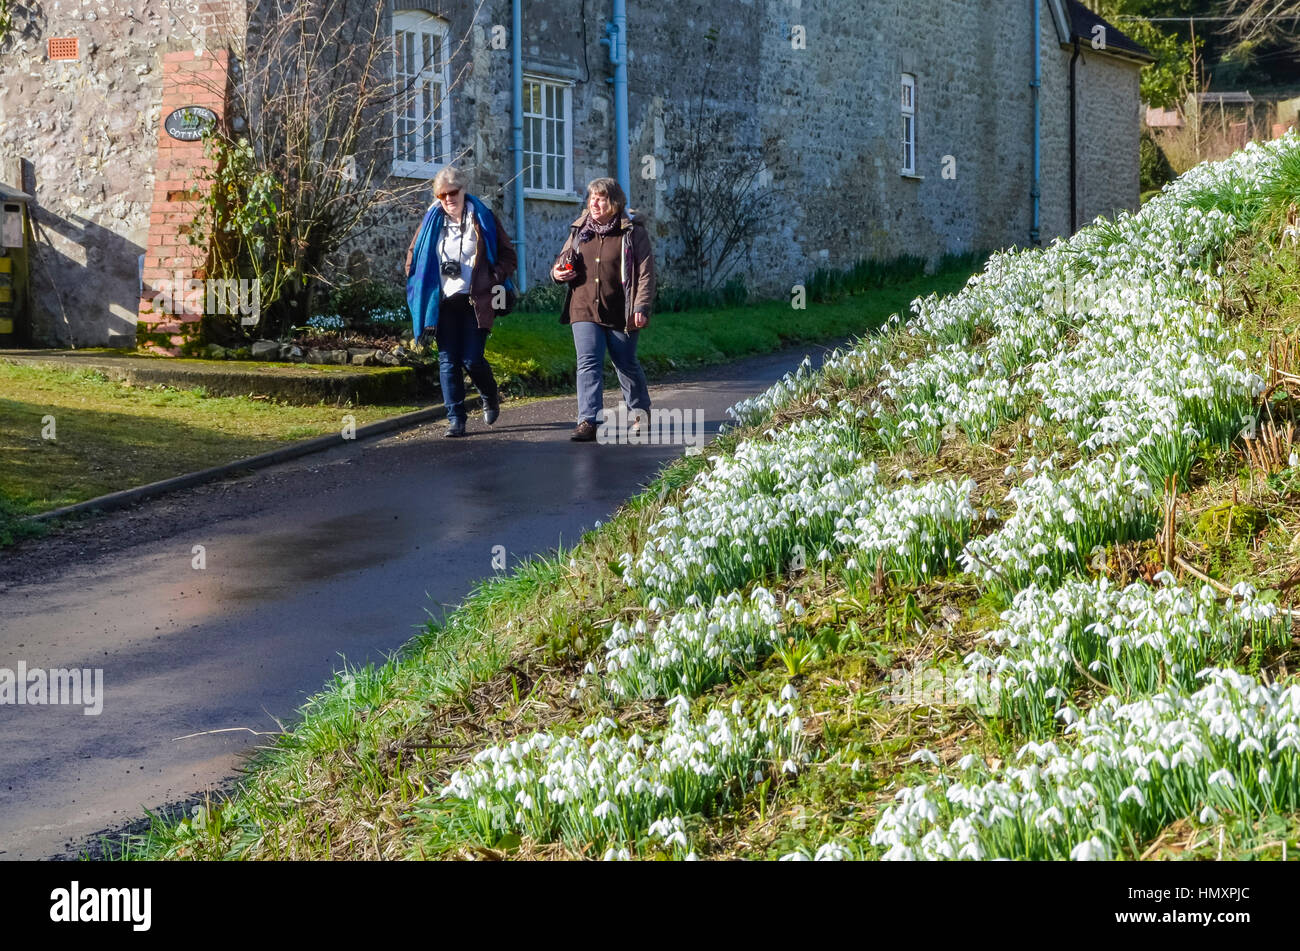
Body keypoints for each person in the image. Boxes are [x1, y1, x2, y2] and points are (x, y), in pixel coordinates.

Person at [407, 166, 517, 437]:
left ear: (463, 190)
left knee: (472, 359)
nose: (447, 199)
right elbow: (415, 251)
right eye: (442, 195)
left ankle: (489, 395)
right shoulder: (432, 220)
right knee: (447, 360)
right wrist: (415, 273)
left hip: (475, 300)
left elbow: (508, 255)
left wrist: (494, 276)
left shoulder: (483, 217)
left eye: (452, 193)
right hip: (442, 302)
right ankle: (456, 418)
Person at [551, 177, 654, 442]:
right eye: (592, 198)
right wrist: (558, 272)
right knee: (588, 363)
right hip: (583, 306)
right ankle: (588, 420)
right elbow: (562, 260)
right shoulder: (579, 230)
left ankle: (639, 412)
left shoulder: (632, 233)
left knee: (625, 363)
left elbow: (645, 273)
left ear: (615, 202)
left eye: (601, 198)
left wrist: (641, 306)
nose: (594, 203)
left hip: (621, 309)